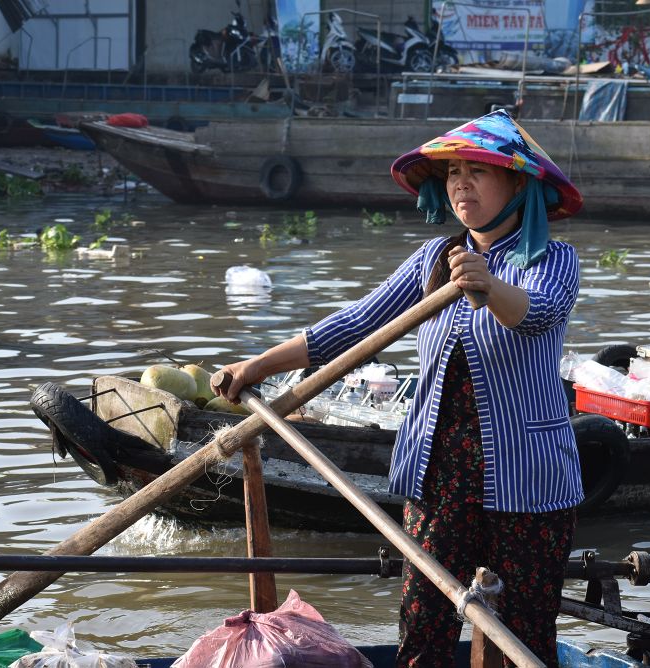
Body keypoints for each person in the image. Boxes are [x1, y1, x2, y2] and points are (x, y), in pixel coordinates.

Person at [213, 109, 585, 667]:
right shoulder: (434, 261)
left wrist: (489, 286)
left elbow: (539, 314)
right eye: (454, 172)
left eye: (478, 171)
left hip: (528, 478)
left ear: (517, 185)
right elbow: (355, 325)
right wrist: (258, 366)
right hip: (439, 478)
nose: (461, 184)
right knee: (423, 624)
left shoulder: (553, 261)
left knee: (525, 633)